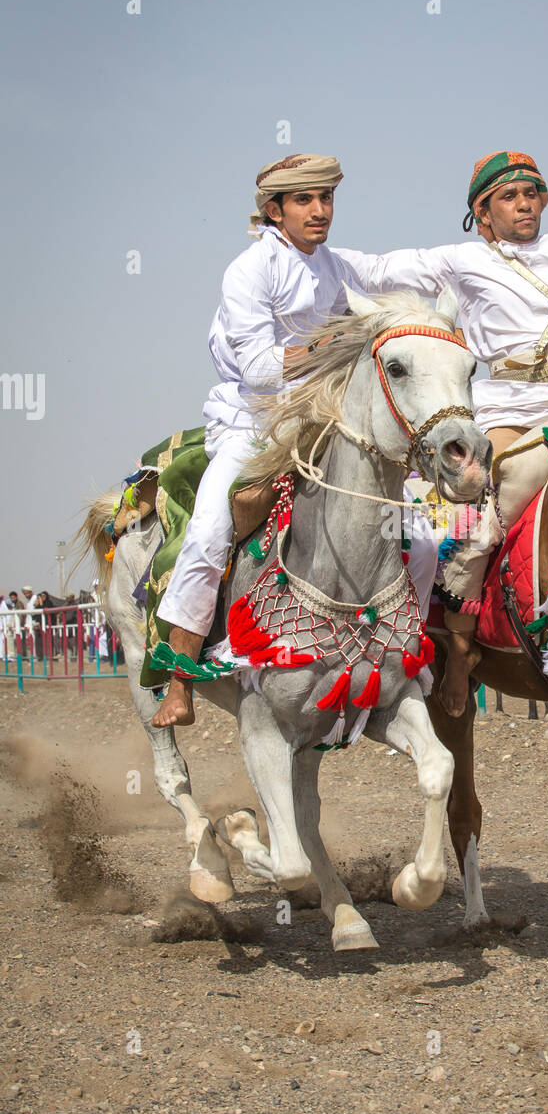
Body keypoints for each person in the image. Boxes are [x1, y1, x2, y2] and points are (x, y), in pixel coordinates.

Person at [338, 150, 548, 713]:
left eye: (532, 193)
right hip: (511, 407)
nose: (524, 205)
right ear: (482, 212)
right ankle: (461, 651)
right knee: (480, 518)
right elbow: (374, 270)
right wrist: (306, 251)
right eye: (508, 197)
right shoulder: (462, 259)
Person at [153, 154, 361, 728]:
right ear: (274, 210)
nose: (320, 210)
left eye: (327, 198)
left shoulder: (337, 266)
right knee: (211, 527)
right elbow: (263, 371)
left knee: (411, 519)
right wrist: (334, 346)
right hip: (256, 420)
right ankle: (180, 678)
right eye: (304, 200)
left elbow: (401, 269)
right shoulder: (249, 270)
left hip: (325, 414)